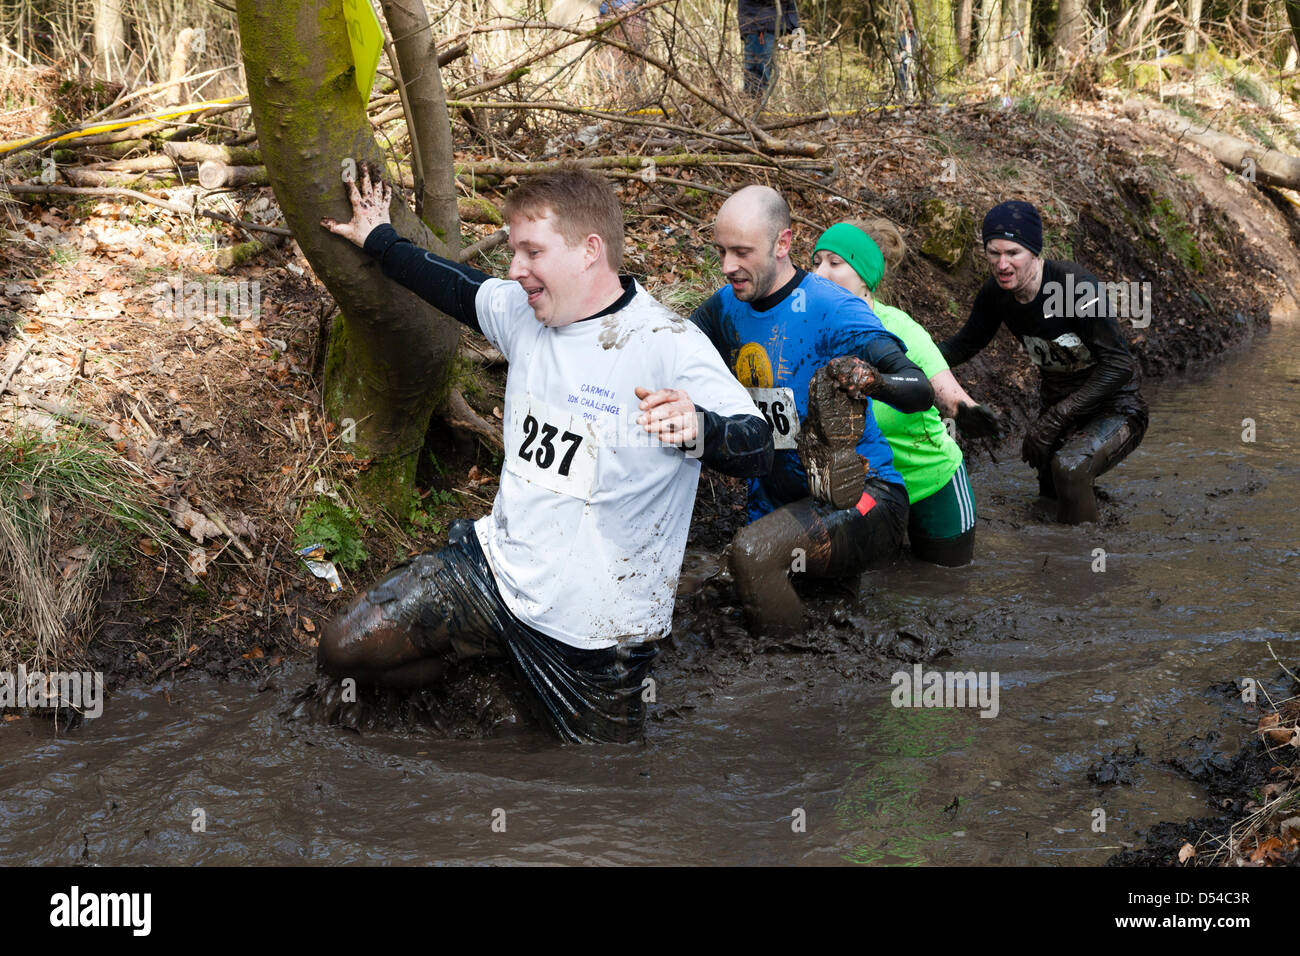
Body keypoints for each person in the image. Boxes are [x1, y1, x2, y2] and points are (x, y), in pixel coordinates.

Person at [318, 165, 773, 743]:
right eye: (513, 252)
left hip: (600, 635)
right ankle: (482, 674)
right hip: (493, 576)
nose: (515, 270)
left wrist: (700, 427)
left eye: (532, 252)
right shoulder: (523, 311)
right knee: (343, 647)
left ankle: (505, 691)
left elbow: (758, 446)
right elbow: (455, 286)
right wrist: (378, 237)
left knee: (597, 789)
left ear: (589, 250)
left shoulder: (667, 343)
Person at [689, 186, 933, 633]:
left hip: (867, 499)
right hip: (779, 499)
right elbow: (672, 348)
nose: (727, 267)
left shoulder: (832, 308)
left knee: (752, 555)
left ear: (783, 244)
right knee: (729, 592)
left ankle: (786, 683)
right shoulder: (727, 306)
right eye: (721, 251)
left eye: (742, 252)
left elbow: (918, 388)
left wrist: (872, 380)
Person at [939, 200, 1148, 524]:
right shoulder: (997, 295)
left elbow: (1119, 365)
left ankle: (1086, 561)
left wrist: (1054, 420)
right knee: (1049, 501)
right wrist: (908, 357)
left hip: (1116, 409)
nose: (1002, 265)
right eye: (993, 253)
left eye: (1013, 253)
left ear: (1034, 252)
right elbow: (964, 345)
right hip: (1058, 408)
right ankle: (1058, 553)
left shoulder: (1074, 287)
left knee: (1070, 467)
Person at [812, 218, 999, 566]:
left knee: (948, 583)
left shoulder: (899, 329)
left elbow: (944, 391)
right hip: (868, 488)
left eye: (835, 263)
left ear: (865, 277)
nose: (820, 273)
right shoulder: (811, 328)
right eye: (816, 262)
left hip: (930, 480)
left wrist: (964, 410)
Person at [738, 0, 799, 98]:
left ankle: (754, 106)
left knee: (761, 71)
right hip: (760, 25)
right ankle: (752, 107)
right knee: (758, 72)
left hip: (766, 25)